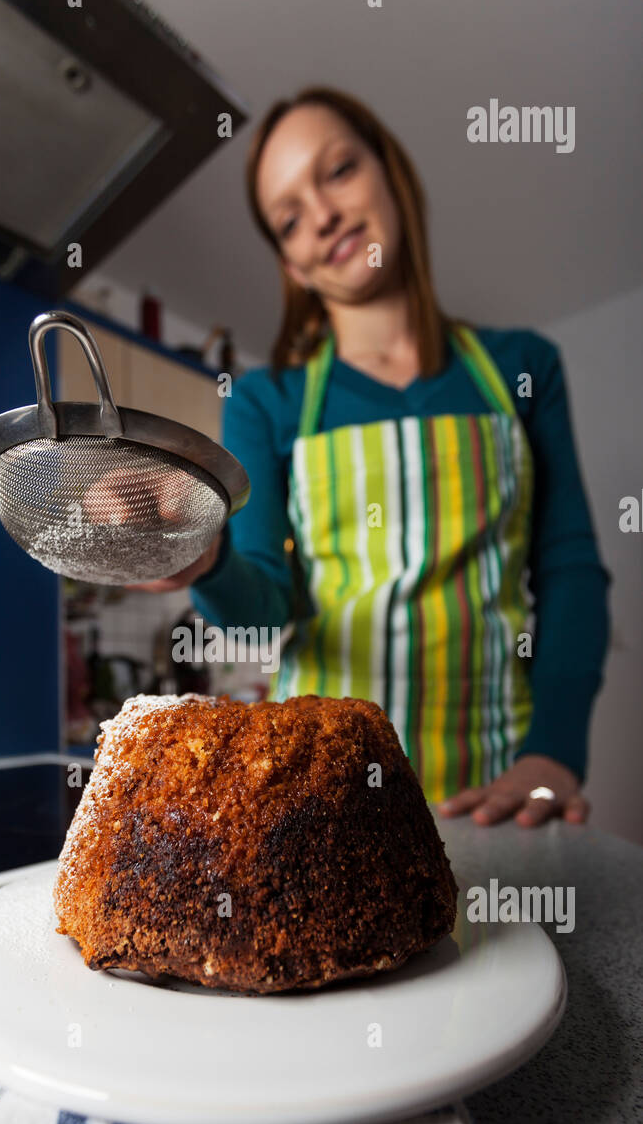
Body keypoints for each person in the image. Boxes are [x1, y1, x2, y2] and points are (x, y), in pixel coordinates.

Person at [127, 87, 611, 828]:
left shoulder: (523, 367)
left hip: (499, 794)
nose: (321, 214)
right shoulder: (267, 400)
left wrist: (556, 751)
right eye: (289, 218)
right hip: (323, 800)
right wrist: (205, 560)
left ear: (392, 171)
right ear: (291, 264)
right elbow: (265, 608)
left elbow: (570, 569)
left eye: (339, 170)